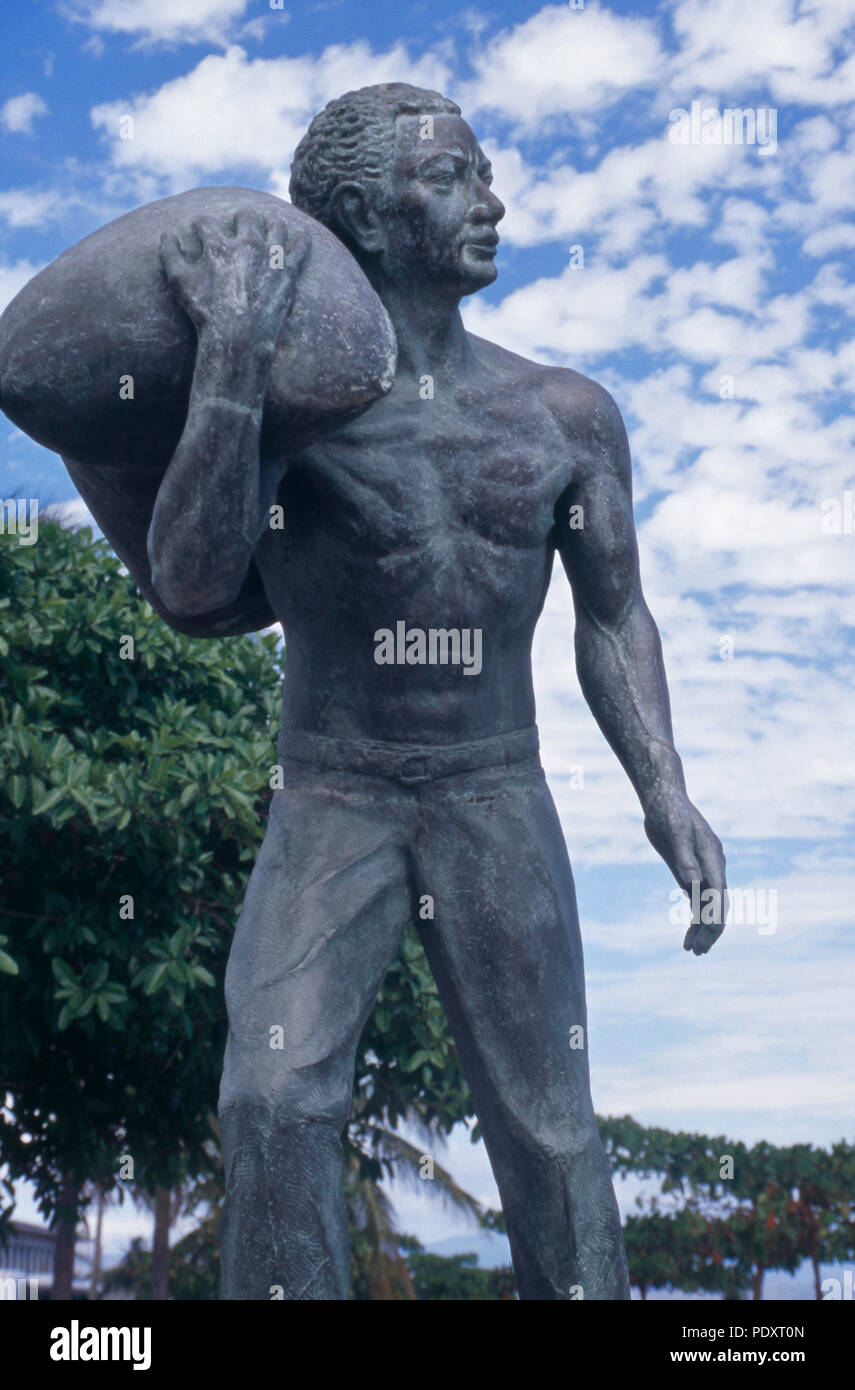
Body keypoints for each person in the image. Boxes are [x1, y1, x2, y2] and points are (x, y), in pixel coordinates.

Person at [146, 83, 727, 1300]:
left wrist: (663, 788)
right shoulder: (290, 417)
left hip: (495, 795)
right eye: (455, 178)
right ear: (364, 212)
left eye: (484, 173)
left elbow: (614, 614)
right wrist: (232, 380)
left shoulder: (565, 414)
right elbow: (191, 590)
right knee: (267, 1096)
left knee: (550, 1129)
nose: (494, 202)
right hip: (332, 796)